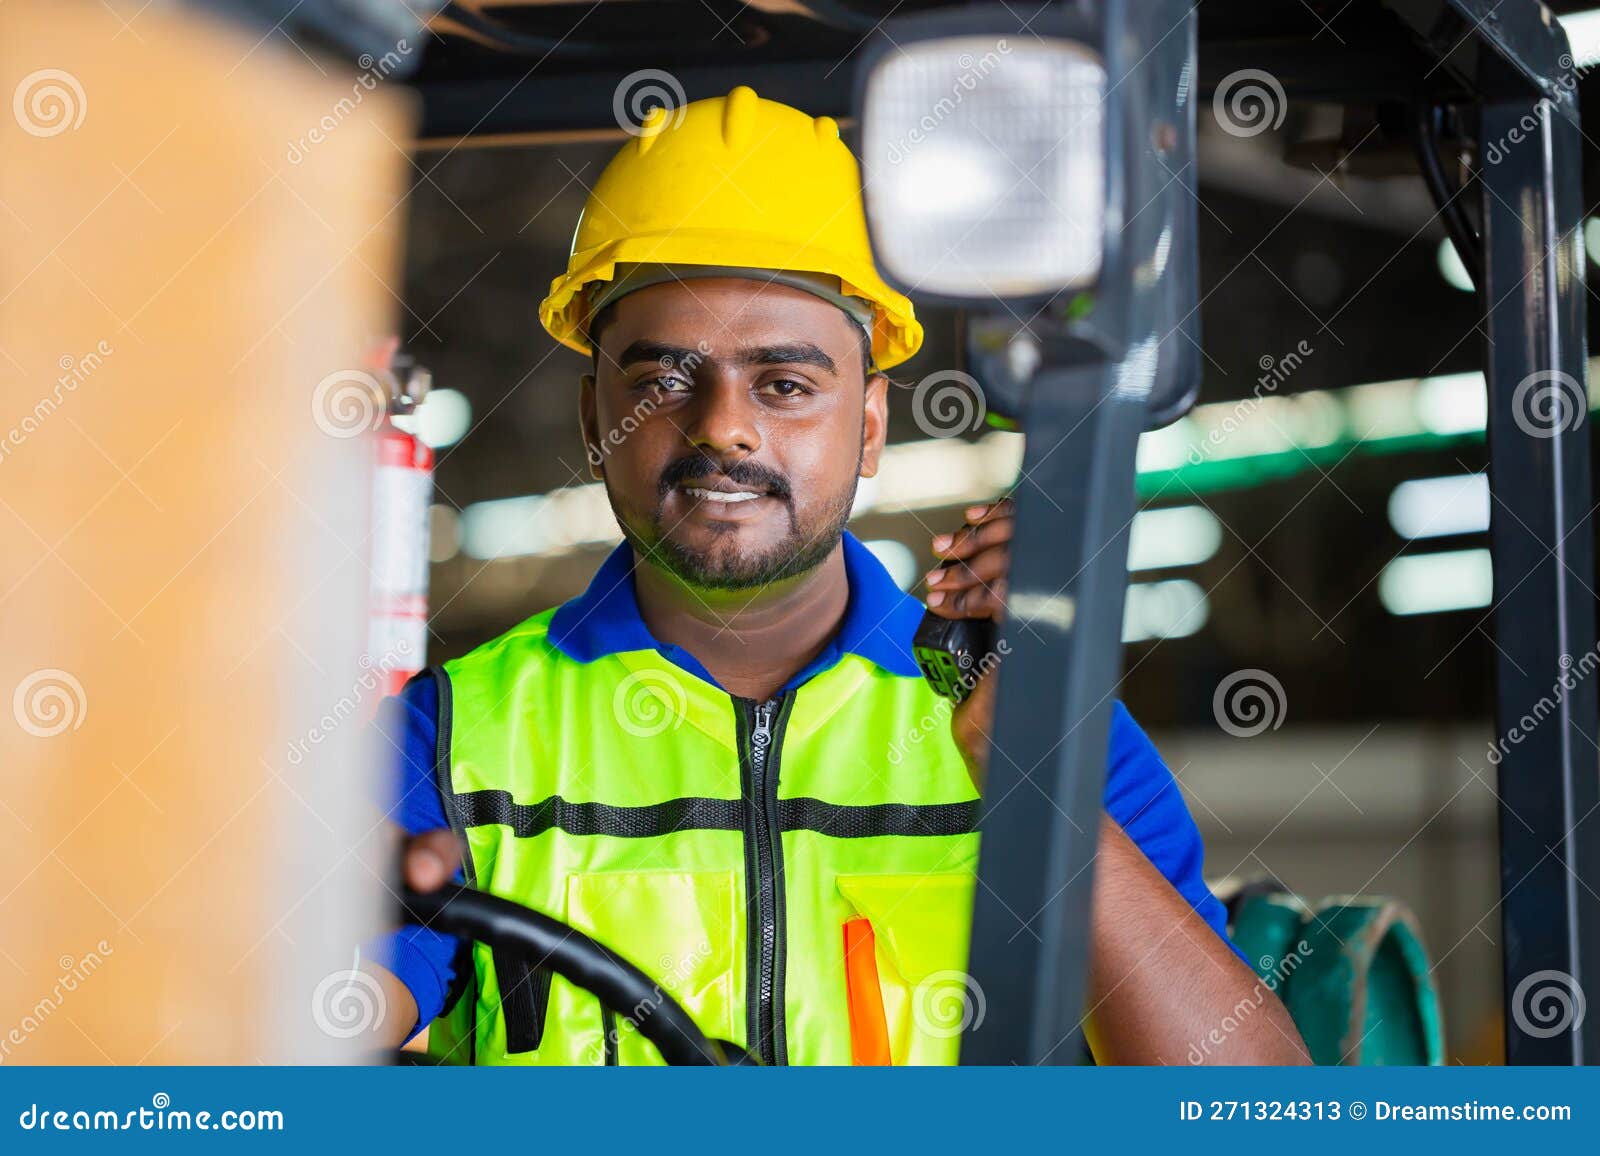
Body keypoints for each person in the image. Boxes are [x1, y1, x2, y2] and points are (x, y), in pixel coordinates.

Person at [361, 86, 1309, 1066]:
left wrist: (1030, 771)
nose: (723, 426)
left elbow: (1251, 1098)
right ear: (594, 422)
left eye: (783, 384)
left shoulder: (1045, 724)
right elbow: (263, 1058)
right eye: (661, 382)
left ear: (868, 427)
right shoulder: (447, 741)